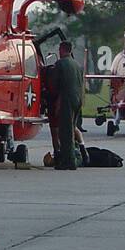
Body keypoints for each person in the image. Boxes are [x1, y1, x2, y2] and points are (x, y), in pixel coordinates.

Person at [47, 40, 84, 170]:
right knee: (72, 128)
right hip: (78, 99)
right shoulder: (77, 64)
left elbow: (54, 85)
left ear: (62, 50)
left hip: (66, 100)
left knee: (65, 132)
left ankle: (68, 162)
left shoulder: (60, 64)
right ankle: (73, 157)